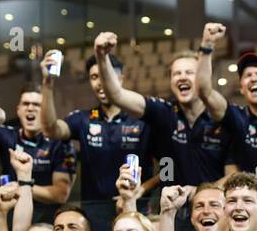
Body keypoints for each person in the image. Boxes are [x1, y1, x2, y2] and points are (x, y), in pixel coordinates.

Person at [95, 29, 229, 191]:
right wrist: (101, 56)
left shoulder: (221, 116)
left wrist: (198, 193)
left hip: (213, 210)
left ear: (202, 78)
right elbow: (117, 95)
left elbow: (233, 174)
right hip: (172, 212)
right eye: (176, 73)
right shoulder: (164, 112)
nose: (182, 77)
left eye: (189, 72)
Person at [40, 50, 151, 231]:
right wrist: (48, 83)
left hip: (135, 210)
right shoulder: (83, 119)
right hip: (93, 216)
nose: (99, 82)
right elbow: (51, 129)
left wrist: (143, 188)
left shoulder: (143, 120)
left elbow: (168, 163)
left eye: (104, 75)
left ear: (120, 79)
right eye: (93, 77)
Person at [0, 61, 74, 222]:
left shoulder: (59, 142)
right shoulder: (8, 136)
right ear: (18, 110)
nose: (30, 108)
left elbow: (60, 194)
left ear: (46, 109)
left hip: (47, 223)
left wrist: (22, 186)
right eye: (25, 104)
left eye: (37, 104)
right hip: (11, 219)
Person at [201, 47, 257, 195]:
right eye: (247, 75)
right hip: (247, 205)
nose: (253, 78)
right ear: (242, 88)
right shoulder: (237, 118)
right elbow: (204, 91)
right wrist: (207, 47)